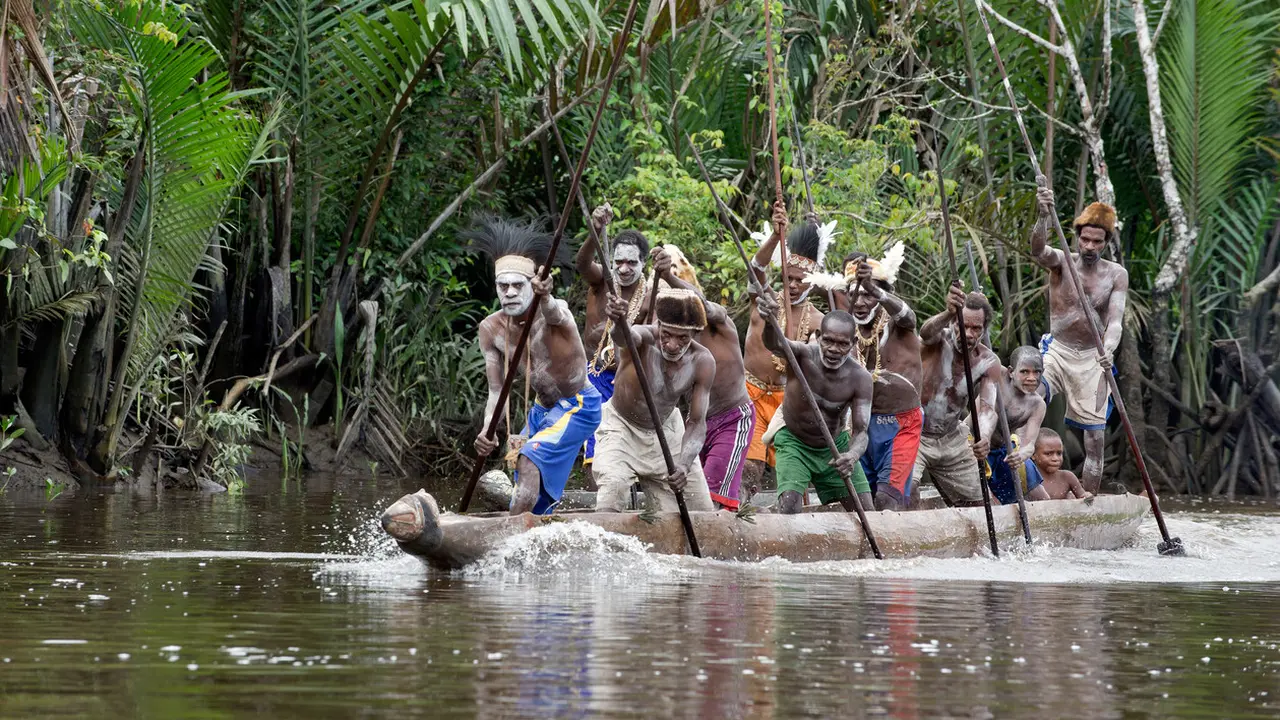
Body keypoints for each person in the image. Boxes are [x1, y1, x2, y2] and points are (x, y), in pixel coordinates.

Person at [468, 216, 602, 515]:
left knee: (529, 458)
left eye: (519, 285)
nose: (510, 293)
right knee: (528, 484)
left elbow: (554, 312)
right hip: (541, 410)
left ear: (532, 285)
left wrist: (546, 295)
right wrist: (487, 430)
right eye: (503, 286)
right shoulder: (490, 329)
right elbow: (495, 390)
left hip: (579, 405)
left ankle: (509, 541)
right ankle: (532, 528)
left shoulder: (556, 313)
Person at [1031, 180, 1129, 493]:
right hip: (1057, 351)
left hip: (1092, 358)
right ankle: (1026, 490)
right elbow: (1036, 249)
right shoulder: (1061, 261)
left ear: (1106, 243)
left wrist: (1109, 348)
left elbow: (1115, 321)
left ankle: (1087, 502)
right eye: (1084, 239)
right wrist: (1044, 215)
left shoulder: (1116, 275)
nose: (1089, 247)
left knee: (1096, 439)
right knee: (1029, 401)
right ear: (1077, 237)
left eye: (1096, 242)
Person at [593, 287, 716, 513]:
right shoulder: (644, 338)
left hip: (667, 430)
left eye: (682, 338)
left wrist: (683, 464)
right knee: (613, 490)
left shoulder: (703, 361)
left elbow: (697, 422)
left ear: (696, 334)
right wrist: (618, 322)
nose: (671, 345)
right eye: (666, 334)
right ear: (658, 325)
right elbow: (624, 337)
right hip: (621, 427)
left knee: (701, 510)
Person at [755, 287, 873, 513]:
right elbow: (775, 344)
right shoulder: (801, 354)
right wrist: (769, 323)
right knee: (789, 508)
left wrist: (852, 455)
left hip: (834, 446)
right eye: (828, 341)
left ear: (853, 343)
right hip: (794, 440)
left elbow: (861, 431)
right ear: (818, 337)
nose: (833, 350)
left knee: (866, 511)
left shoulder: (860, 378)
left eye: (842, 344)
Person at [741, 203, 831, 498]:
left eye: (800, 280)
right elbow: (756, 269)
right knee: (749, 471)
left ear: (813, 279)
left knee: (794, 480)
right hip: (750, 395)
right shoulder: (765, 299)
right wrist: (776, 238)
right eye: (788, 278)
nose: (792, 285)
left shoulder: (819, 321)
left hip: (788, 402)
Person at [577, 205, 673, 468]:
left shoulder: (653, 295)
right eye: (618, 262)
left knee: (628, 447)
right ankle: (602, 504)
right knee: (597, 448)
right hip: (596, 376)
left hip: (631, 380)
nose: (624, 268)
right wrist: (595, 230)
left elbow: (656, 340)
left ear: (644, 263)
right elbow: (582, 263)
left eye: (632, 262)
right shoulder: (601, 283)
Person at [844, 242, 923, 511]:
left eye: (868, 295)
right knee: (862, 502)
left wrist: (873, 288)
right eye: (855, 294)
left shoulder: (897, 323)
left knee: (887, 499)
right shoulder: (846, 331)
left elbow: (909, 316)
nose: (861, 302)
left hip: (902, 424)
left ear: (880, 294)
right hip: (863, 425)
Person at [913, 285, 1003, 506]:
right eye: (963, 325)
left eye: (976, 328)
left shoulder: (988, 362)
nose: (968, 334)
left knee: (982, 504)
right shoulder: (937, 340)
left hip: (951, 437)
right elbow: (925, 332)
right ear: (953, 322)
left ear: (984, 330)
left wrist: (984, 436)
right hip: (914, 434)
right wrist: (948, 312)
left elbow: (988, 409)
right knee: (904, 492)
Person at [986, 347, 1052, 505]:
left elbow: (1029, 446)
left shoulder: (1037, 404)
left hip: (1004, 450)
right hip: (974, 445)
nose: (1031, 378)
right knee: (990, 504)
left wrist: (1020, 455)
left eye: (1037, 372)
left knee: (1043, 499)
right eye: (1024, 372)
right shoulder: (998, 374)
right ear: (1011, 372)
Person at [1031, 428, 1093, 500]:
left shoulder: (1067, 477)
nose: (1055, 458)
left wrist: (1087, 496)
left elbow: (1083, 497)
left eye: (1059, 453)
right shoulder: (1029, 480)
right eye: (1048, 454)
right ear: (1033, 454)